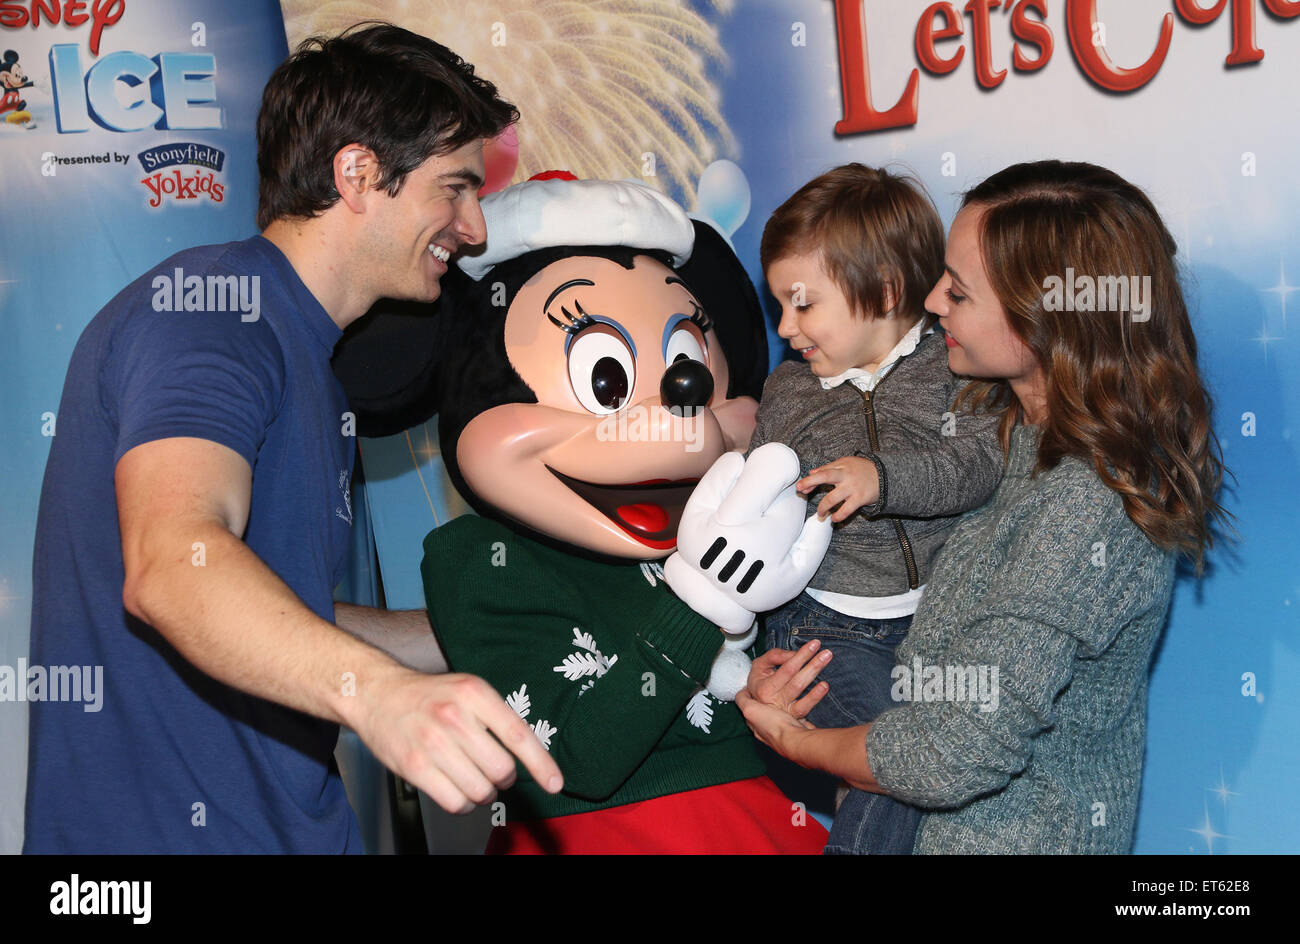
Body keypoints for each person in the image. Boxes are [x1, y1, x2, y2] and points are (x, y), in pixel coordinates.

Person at [24, 23, 561, 854]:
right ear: (357, 173)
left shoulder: (304, 350)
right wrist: (382, 697)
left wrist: (467, 635)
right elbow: (172, 565)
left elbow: (275, 607)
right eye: (454, 188)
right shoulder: (211, 310)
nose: (474, 229)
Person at [739, 159, 1229, 854]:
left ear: (1041, 320)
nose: (932, 302)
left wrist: (800, 741)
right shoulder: (985, 432)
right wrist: (800, 675)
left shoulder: (1090, 502)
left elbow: (951, 749)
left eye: (958, 292)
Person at [746, 164, 1004, 853]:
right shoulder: (789, 392)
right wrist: (740, 646)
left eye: (802, 305)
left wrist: (882, 477)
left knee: (922, 757)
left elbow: (978, 466)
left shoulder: (953, 369)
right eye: (779, 306)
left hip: (934, 627)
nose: (785, 327)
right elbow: (753, 519)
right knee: (905, 751)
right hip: (824, 628)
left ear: (886, 291)